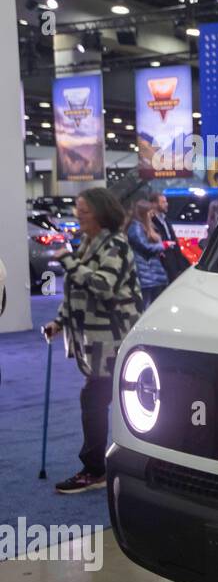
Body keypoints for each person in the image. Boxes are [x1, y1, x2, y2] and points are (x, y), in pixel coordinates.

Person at [41, 187, 143, 493]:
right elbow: (76, 290)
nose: (78, 215)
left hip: (114, 339)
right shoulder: (88, 243)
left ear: (100, 213)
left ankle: (95, 469)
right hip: (96, 339)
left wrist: (70, 262)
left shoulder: (116, 245)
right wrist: (59, 322)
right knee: (107, 398)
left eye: (83, 211)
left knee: (96, 399)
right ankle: (104, 466)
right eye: (77, 209)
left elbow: (104, 286)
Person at [127, 198, 169, 308]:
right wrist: (162, 246)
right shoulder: (135, 228)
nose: (152, 215)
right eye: (150, 212)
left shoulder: (145, 227)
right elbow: (145, 247)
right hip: (146, 274)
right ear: (143, 213)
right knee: (146, 308)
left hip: (152, 274)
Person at [151, 192, 190, 282]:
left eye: (166, 202)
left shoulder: (165, 219)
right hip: (164, 260)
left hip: (173, 257)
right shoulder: (151, 222)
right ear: (154, 204)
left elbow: (173, 239)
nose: (166, 204)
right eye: (163, 202)